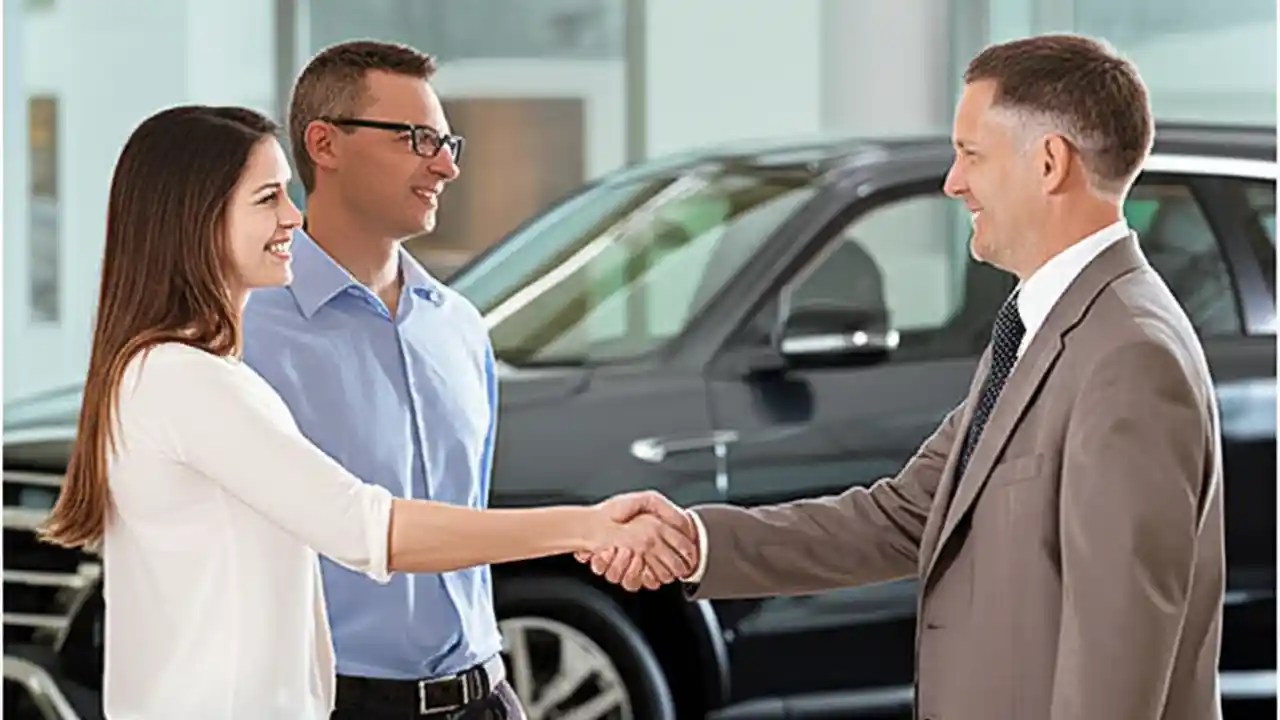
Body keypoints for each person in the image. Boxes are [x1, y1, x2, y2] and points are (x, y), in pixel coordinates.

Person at [585, 34, 1226, 719]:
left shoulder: (1127, 357)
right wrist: (696, 542)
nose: (954, 182)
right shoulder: (1042, 326)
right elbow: (905, 515)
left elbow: (1117, 655)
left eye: (971, 155)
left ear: (1048, 163)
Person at [38, 105, 695, 720]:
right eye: (267, 199)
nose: (293, 218)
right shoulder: (186, 381)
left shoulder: (171, 374)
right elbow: (369, 529)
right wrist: (584, 527)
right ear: (196, 221)